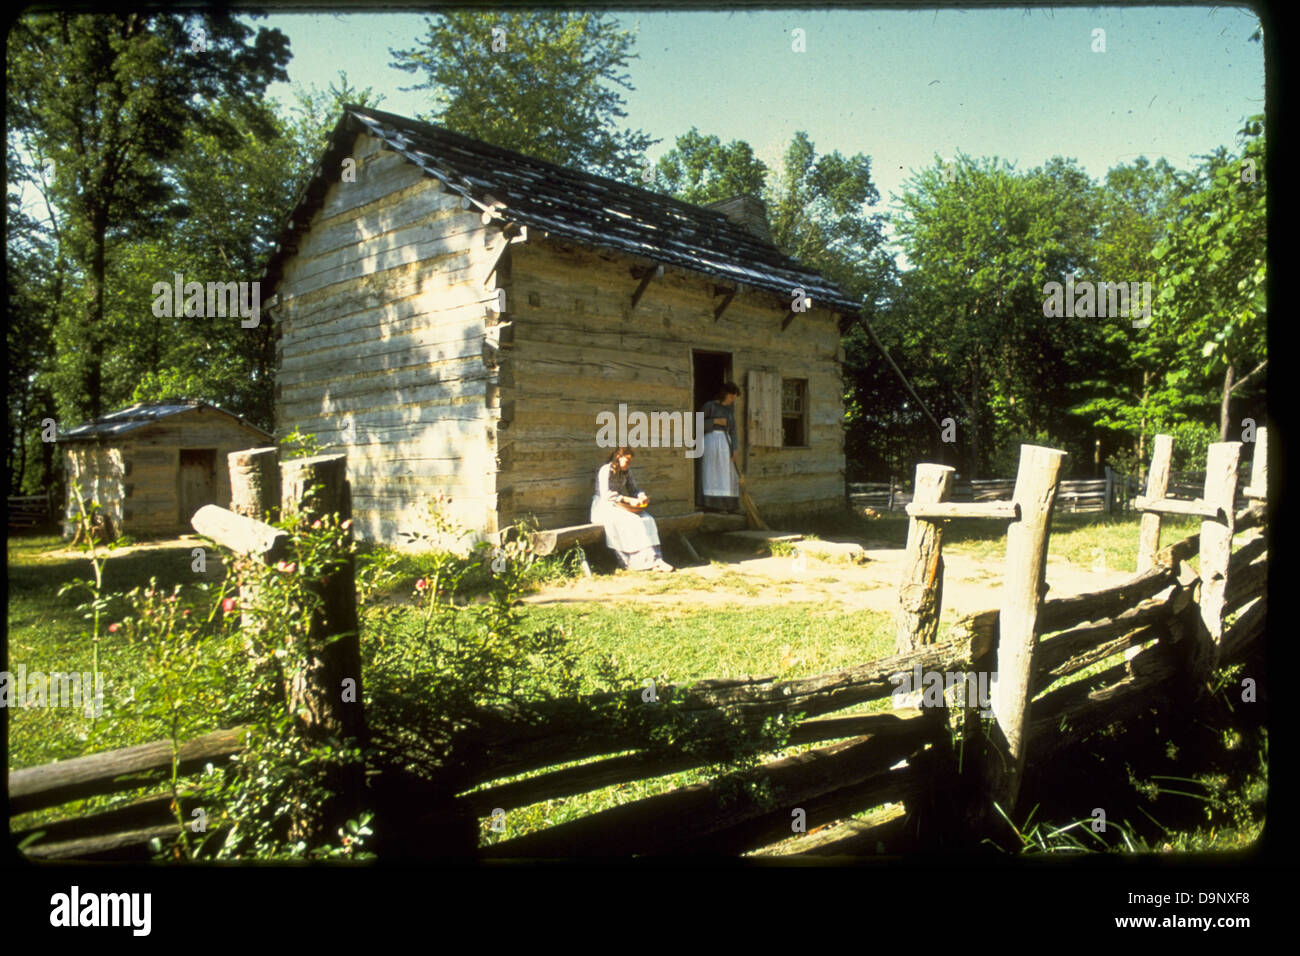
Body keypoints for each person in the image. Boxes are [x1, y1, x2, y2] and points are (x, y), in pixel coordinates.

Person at [590, 447, 674, 572]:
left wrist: (641, 496)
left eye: (630, 462)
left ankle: (656, 559)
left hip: (619, 506)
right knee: (633, 520)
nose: (629, 464)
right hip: (603, 508)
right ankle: (636, 562)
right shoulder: (605, 470)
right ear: (618, 457)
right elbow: (606, 495)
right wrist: (628, 500)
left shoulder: (627, 471)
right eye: (627, 461)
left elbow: (634, 489)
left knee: (647, 519)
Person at [700, 382, 742, 513]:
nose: (731, 400)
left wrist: (735, 448)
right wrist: (715, 421)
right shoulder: (709, 406)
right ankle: (713, 505)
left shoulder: (729, 410)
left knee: (726, 474)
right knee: (712, 472)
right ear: (724, 394)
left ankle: (728, 505)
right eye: (730, 397)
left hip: (726, 443)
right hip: (711, 441)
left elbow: (733, 430)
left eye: (733, 398)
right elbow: (697, 423)